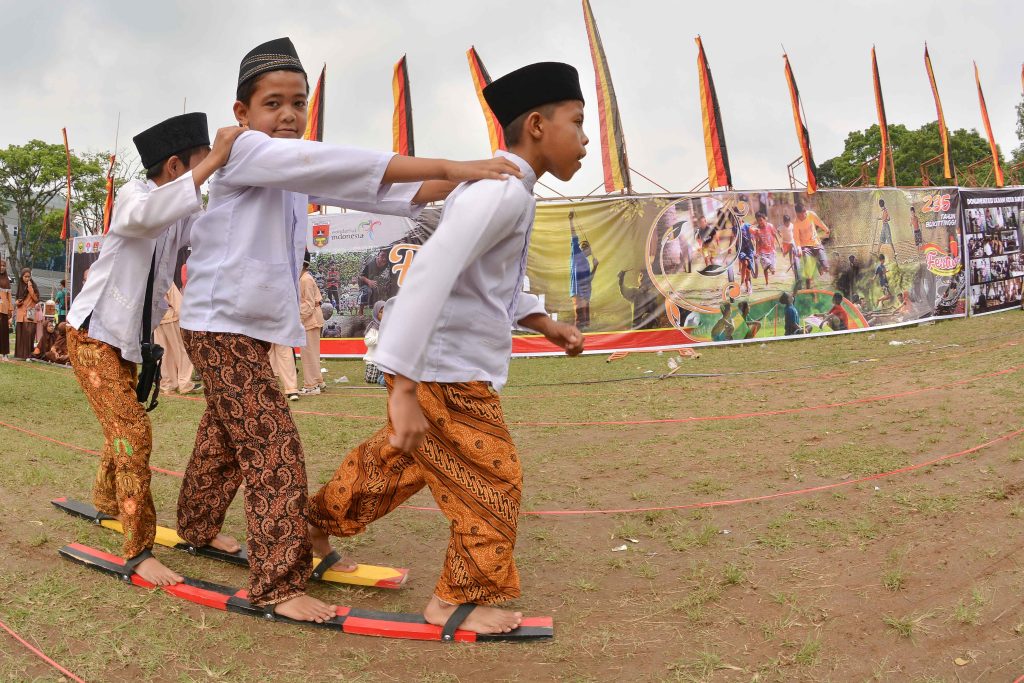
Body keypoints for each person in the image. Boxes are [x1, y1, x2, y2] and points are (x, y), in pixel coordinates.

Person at [175, 37, 523, 624]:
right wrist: (453, 166)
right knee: (272, 447)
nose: (287, 114)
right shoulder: (246, 152)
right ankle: (278, 586)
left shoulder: (285, 169)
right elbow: (341, 164)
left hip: (240, 326)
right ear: (242, 114)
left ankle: (197, 525)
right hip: (218, 322)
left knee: (226, 437)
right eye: (272, 102)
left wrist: (465, 184)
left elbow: (371, 190)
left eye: (298, 102)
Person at [307, 61, 587, 635]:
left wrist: (541, 321)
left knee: (398, 463)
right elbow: (431, 272)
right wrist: (404, 384)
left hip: (439, 363)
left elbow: (486, 281)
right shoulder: (501, 192)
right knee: (494, 477)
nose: (585, 140)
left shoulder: (510, 191)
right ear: (537, 125)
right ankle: (462, 597)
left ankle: (308, 526)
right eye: (578, 123)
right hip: (443, 366)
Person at [65, 112, 242, 586]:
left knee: (121, 426)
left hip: (130, 342)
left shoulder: (183, 210)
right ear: (173, 166)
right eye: (204, 162)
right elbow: (143, 219)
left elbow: (211, 239)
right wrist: (215, 161)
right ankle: (138, 550)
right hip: (92, 336)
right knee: (133, 433)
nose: (209, 171)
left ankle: (106, 500)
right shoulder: (134, 196)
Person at [153, 283, 199, 394]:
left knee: (164, 353)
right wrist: (186, 319)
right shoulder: (164, 277)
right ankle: (184, 383)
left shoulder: (145, 279)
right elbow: (177, 302)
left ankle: (168, 385)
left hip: (156, 319)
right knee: (183, 351)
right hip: (171, 317)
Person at [299, 251, 325, 395]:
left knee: (308, 353)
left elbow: (308, 304)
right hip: (312, 318)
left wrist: (297, 317)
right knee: (312, 352)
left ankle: (311, 385)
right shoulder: (304, 278)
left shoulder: (305, 279)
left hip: (310, 319)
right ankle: (318, 381)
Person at [568, 209, 598, 329]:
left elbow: (589, 279)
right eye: (582, 245)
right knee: (579, 320)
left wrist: (595, 266)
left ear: (590, 250)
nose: (584, 246)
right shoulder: (576, 252)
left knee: (585, 321)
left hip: (586, 292)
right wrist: (571, 220)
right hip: (577, 291)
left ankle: (586, 343)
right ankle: (575, 342)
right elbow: (574, 236)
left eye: (586, 245)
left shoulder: (587, 263)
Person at [792, 202, 831, 288]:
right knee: (808, 269)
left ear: (805, 211)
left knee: (826, 267)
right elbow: (796, 238)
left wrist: (826, 229)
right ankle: (808, 288)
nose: (800, 218)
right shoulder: (796, 223)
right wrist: (798, 248)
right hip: (805, 247)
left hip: (816, 243)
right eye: (798, 216)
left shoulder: (811, 215)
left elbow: (819, 222)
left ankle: (819, 264)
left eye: (801, 216)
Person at [14, 268, 38, 359]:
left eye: (29, 276)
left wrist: (30, 288)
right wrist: (17, 303)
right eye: (25, 277)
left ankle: (28, 355)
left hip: (30, 314)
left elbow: (36, 299)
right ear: (22, 277)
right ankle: (20, 355)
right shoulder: (20, 286)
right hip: (21, 313)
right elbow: (17, 299)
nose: (27, 278)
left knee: (29, 334)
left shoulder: (33, 286)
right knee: (21, 335)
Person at [358, 250, 389, 316]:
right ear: (377, 257)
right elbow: (360, 276)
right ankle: (360, 311)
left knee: (377, 293)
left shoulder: (386, 264)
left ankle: (375, 312)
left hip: (371, 280)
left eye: (386, 257)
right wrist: (368, 281)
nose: (384, 259)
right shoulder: (370, 263)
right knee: (367, 291)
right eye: (382, 256)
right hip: (363, 280)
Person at [363, 300, 386, 385]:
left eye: (386, 312)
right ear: (376, 313)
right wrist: (380, 338)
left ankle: (384, 377)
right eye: (381, 312)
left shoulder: (389, 325)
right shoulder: (373, 327)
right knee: (371, 380)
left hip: (385, 362)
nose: (384, 314)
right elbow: (367, 341)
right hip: (374, 361)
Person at [0, 261, 11, 359]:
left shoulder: (7, 281)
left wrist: (10, 310)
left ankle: (4, 353)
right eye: (0, 265)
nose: (2, 267)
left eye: (4, 266)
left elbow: (9, 297)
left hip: (4, 310)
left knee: (3, 331)